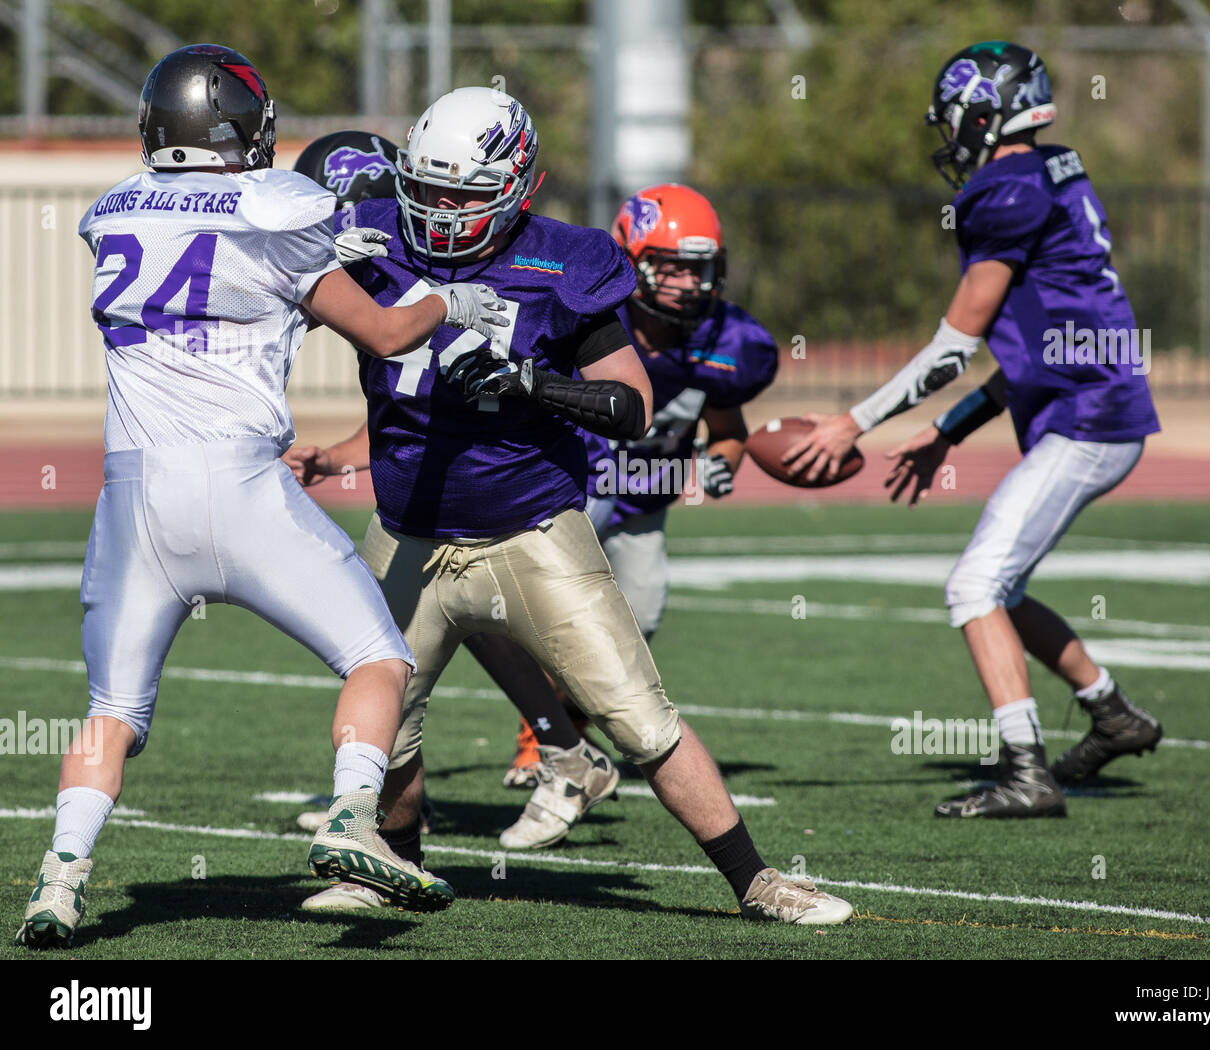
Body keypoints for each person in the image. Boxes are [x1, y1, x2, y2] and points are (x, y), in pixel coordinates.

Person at [285, 85, 852, 923]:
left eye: (464, 194)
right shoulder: (368, 241)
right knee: (385, 730)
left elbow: (630, 405)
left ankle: (759, 881)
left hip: (532, 533)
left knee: (637, 717)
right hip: (403, 532)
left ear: (519, 186)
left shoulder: (567, 258)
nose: (441, 210)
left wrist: (530, 384)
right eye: (430, 187)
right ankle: (388, 869)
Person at [14, 45, 506, 948]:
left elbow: (211, 258)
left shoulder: (114, 209)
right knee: (379, 661)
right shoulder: (281, 208)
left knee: (113, 713)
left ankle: (57, 880)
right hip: (240, 485)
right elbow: (393, 334)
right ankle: (354, 815)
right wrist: (452, 301)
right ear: (243, 130)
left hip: (131, 498)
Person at [783, 41, 1163, 818]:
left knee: (973, 585)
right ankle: (1113, 714)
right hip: (1095, 405)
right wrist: (951, 431)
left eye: (958, 121)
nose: (953, 138)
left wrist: (852, 423)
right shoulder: (1055, 171)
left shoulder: (1006, 190)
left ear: (985, 115)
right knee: (1005, 585)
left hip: (1088, 419)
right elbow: (1040, 342)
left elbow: (957, 344)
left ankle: (1027, 773)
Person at [290, 130, 615, 857]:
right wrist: (343, 455)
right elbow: (414, 400)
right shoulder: (393, 252)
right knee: (444, 626)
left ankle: (560, 754)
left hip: (523, 465)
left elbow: (454, 383)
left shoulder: (421, 254)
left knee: (418, 634)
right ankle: (553, 755)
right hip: (459, 466)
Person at [503, 183, 778, 782]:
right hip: (580, 486)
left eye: (697, 270)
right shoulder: (595, 318)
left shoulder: (729, 342)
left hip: (647, 497)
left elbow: (729, 425)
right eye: (672, 268)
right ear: (635, 260)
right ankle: (540, 739)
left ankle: (568, 732)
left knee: (641, 615)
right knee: (557, 616)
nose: (687, 283)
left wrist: (726, 459)